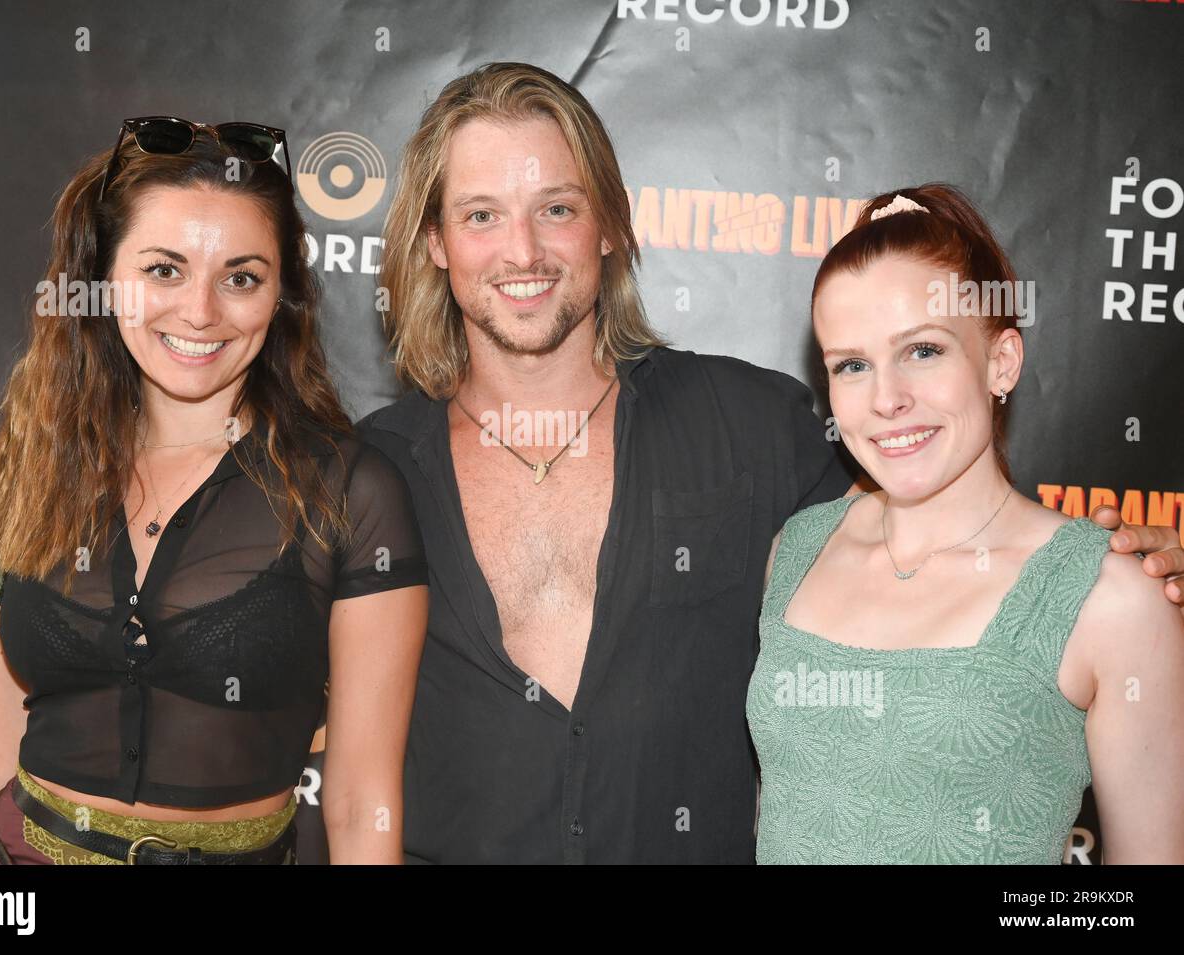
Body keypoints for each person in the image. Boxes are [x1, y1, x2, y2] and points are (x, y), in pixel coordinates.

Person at [356, 63, 1184, 863]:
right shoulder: (371, 475)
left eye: (557, 208)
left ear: (608, 223)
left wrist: (1096, 569)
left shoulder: (756, 425)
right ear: (434, 241)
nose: (524, 250)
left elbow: (938, 509)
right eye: (481, 216)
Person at [0, 119, 428, 865]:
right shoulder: (35, 466)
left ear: (283, 297)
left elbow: (362, 800)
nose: (200, 311)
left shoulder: (350, 493)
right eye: (163, 270)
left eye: (241, 276)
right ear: (104, 278)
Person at [746, 185, 1184, 863]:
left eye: (923, 351)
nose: (888, 398)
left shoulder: (1111, 598)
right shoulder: (796, 550)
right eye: (853, 365)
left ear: (1000, 362)